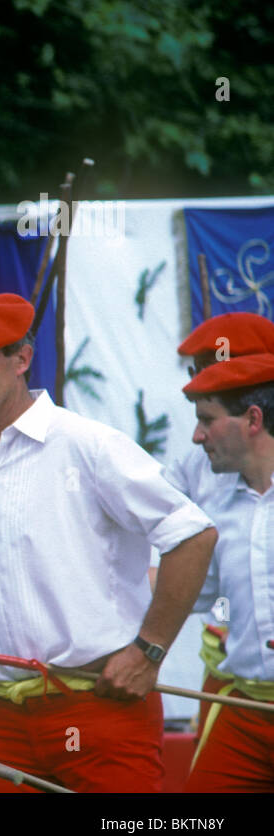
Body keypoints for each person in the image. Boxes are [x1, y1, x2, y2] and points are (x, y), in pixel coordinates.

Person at [0, 292, 217, 792]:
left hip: (103, 708)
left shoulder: (88, 445)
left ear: (22, 359)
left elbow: (193, 534)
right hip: (4, 716)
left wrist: (148, 652)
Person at [167, 312, 274, 727]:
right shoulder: (196, 463)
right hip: (231, 667)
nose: (199, 380)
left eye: (209, 368)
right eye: (195, 371)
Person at [180, 353, 274, 791]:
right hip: (244, 712)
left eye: (207, 420)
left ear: (252, 419)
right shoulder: (215, 512)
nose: (197, 436)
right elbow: (183, 592)